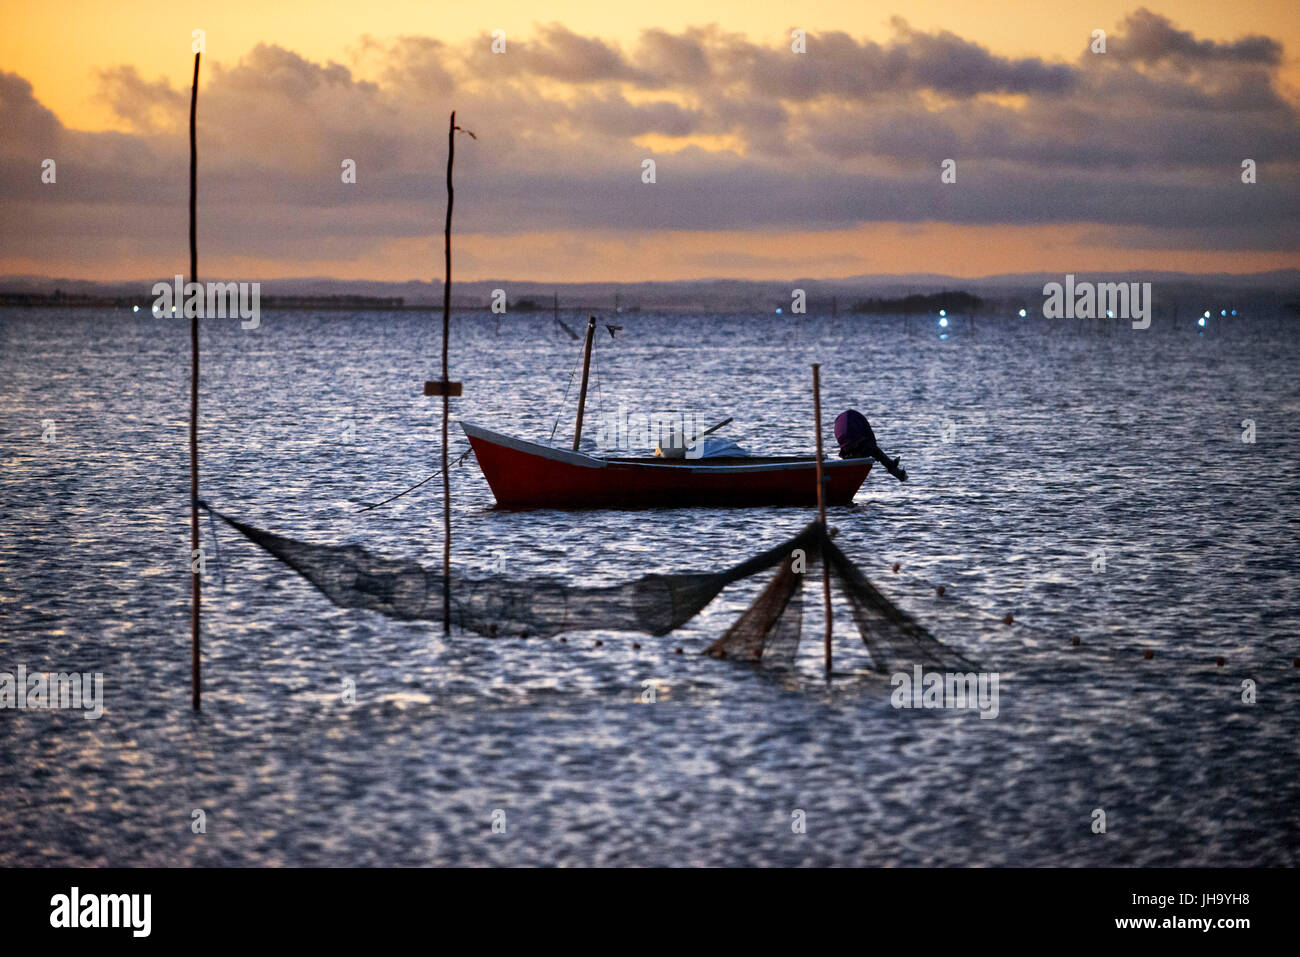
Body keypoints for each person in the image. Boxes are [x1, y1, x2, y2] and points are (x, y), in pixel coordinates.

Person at [833, 409, 908, 481]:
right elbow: (872, 443)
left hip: (848, 439)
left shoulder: (849, 435)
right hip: (852, 439)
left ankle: (892, 466)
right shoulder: (861, 440)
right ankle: (893, 468)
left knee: (872, 450)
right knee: (874, 451)